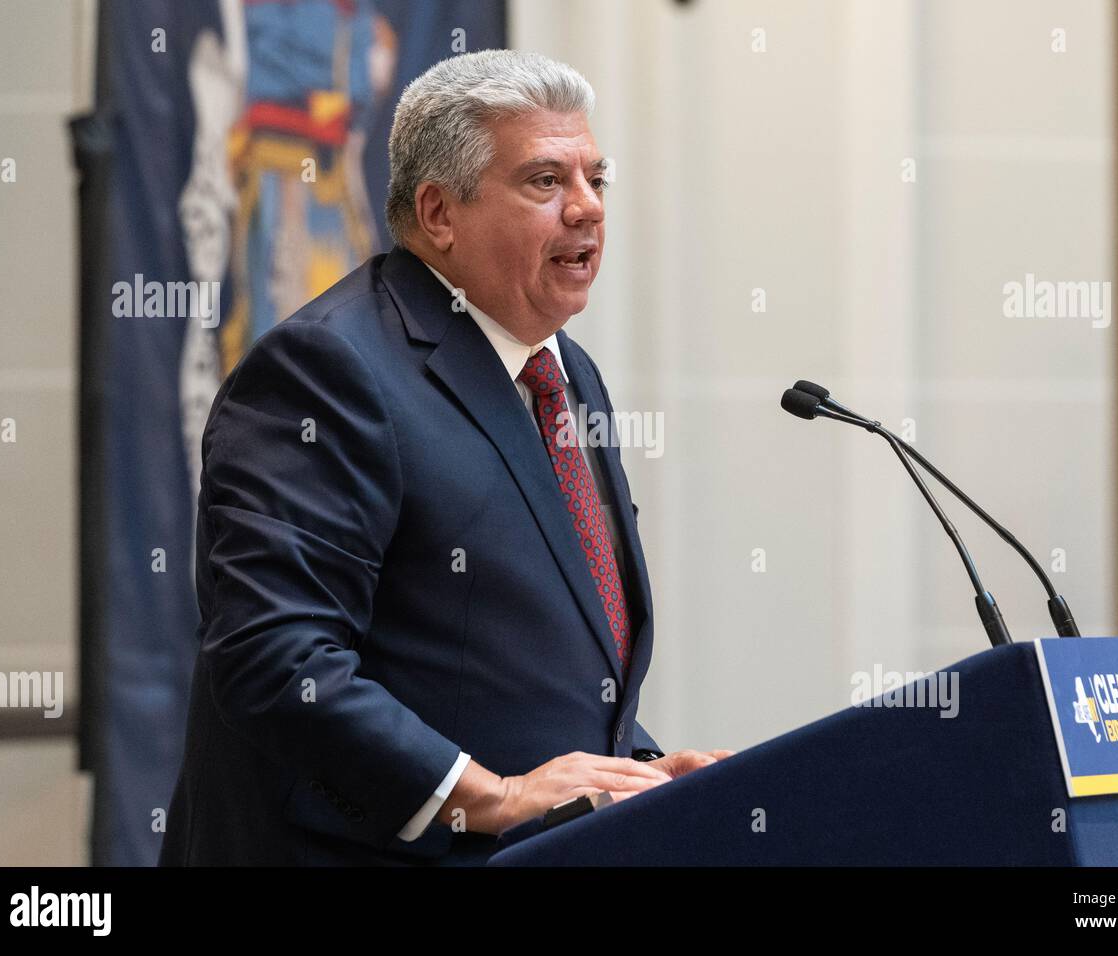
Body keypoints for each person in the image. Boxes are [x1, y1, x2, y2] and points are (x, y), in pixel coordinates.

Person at [160, 48, 731, 866]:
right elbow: (277, 660)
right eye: (545, 182)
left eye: (596, 180)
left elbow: (513, 663)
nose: (587, 209)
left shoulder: (565, 372)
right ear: (438, 213)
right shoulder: (330, 373)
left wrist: (636, 772)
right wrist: (491, 800)